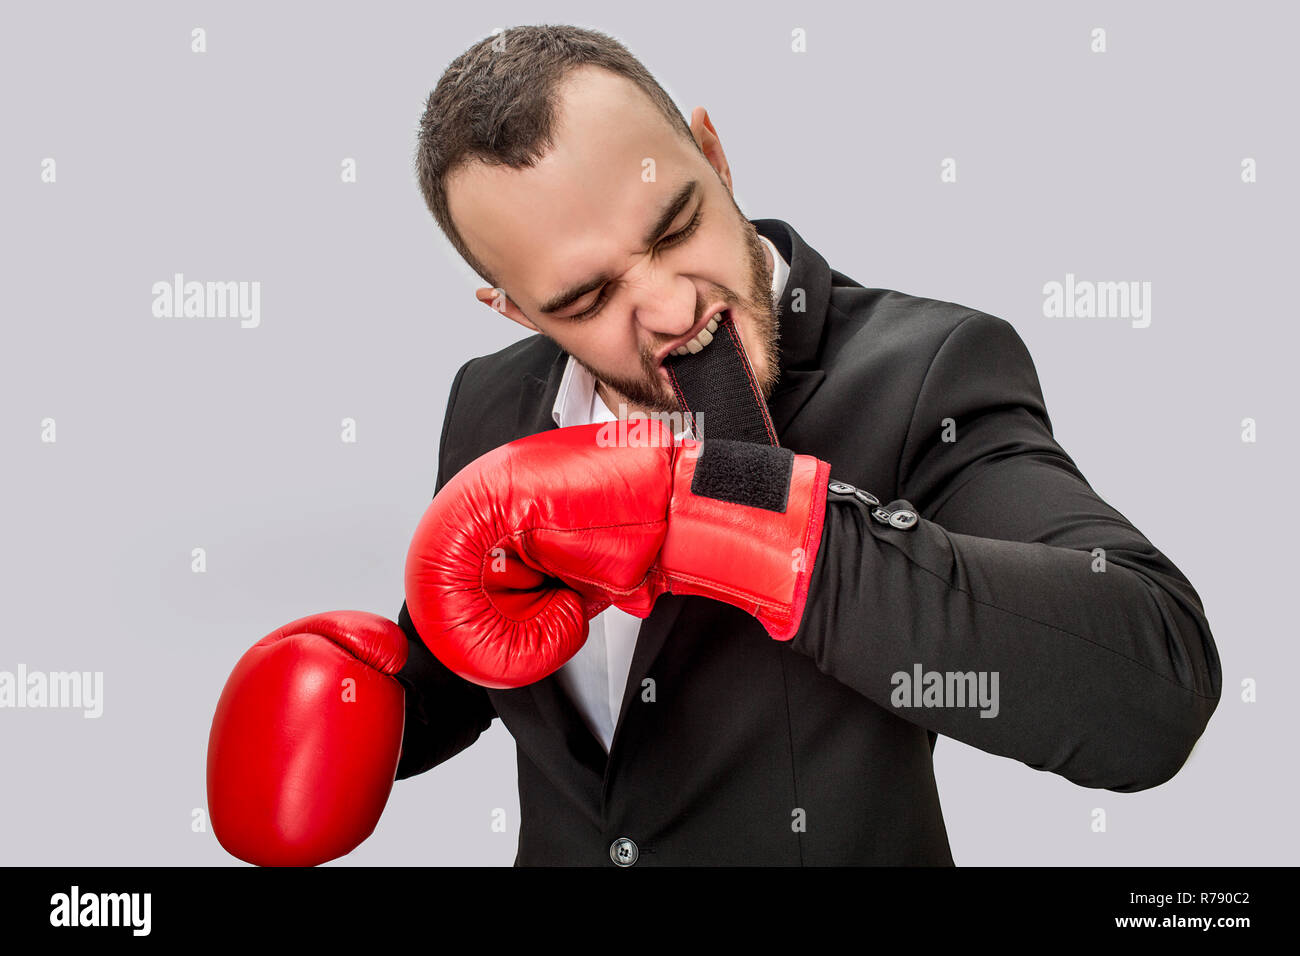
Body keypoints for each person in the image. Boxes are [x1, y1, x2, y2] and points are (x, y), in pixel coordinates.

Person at [209, 24, 1221, 867]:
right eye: (587, 296)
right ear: (513, 308)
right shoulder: (491, 402)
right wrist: (369, 695)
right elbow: (487, 657)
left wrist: (721, 511)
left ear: (710, 151)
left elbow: (1154, 682)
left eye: (677, 221)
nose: (673, 305)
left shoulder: (923, 372)